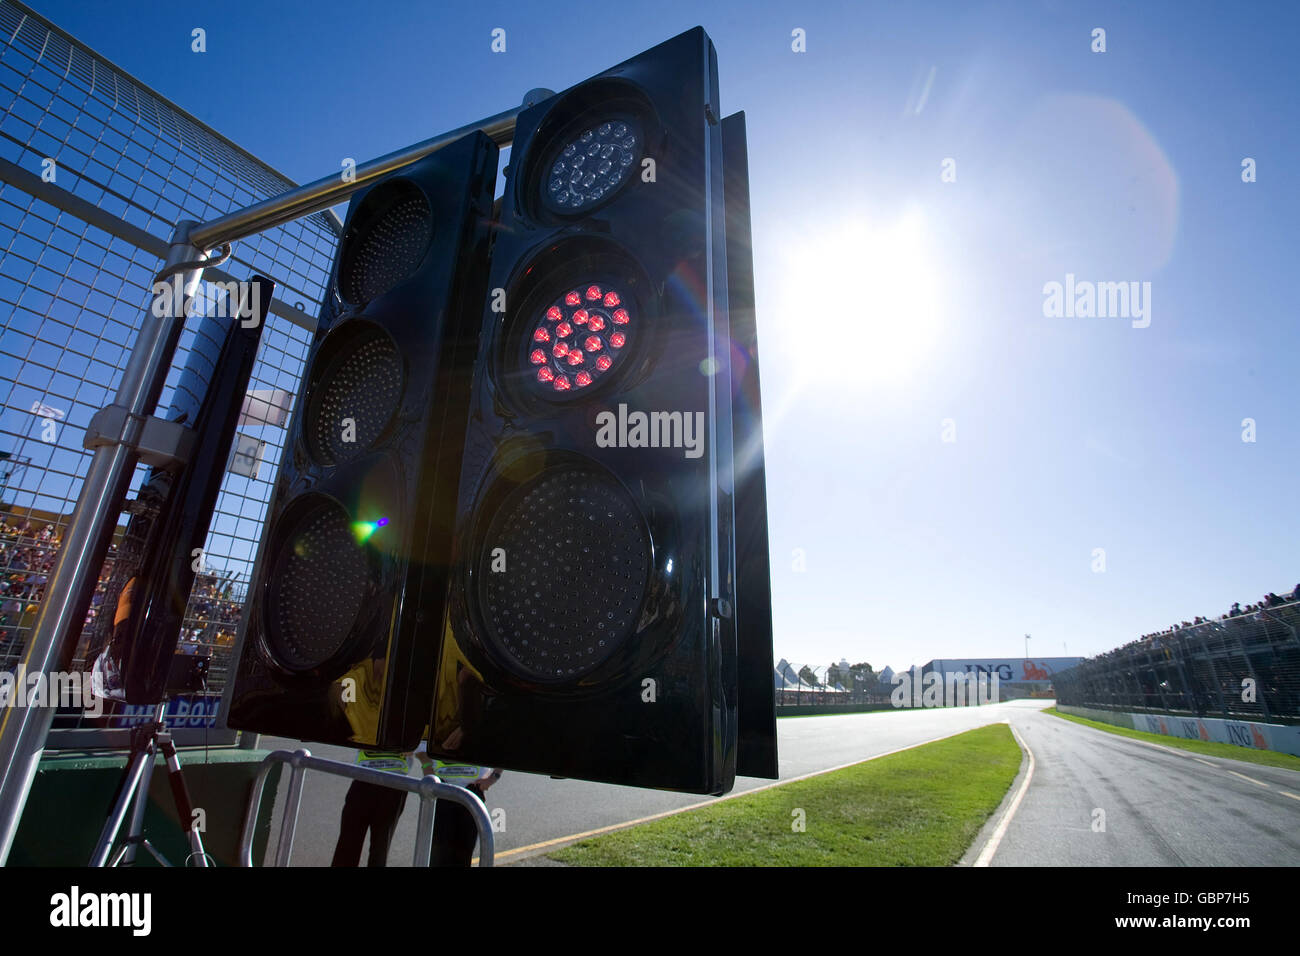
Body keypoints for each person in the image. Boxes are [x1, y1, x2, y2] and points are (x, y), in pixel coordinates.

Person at [330, 744, 425, 867]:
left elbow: (420, 745)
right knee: (347, 844)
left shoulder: (410, 724)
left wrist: (413, 746)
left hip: (394, 784)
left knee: (380, 848)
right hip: (363, 778)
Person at [421, 755, 501, 867]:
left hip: (472, 789)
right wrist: (427, 766)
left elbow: (503, 748)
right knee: (438, 855)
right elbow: (422, 746)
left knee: (463, 855)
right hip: (441, 788)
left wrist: (493, 777)